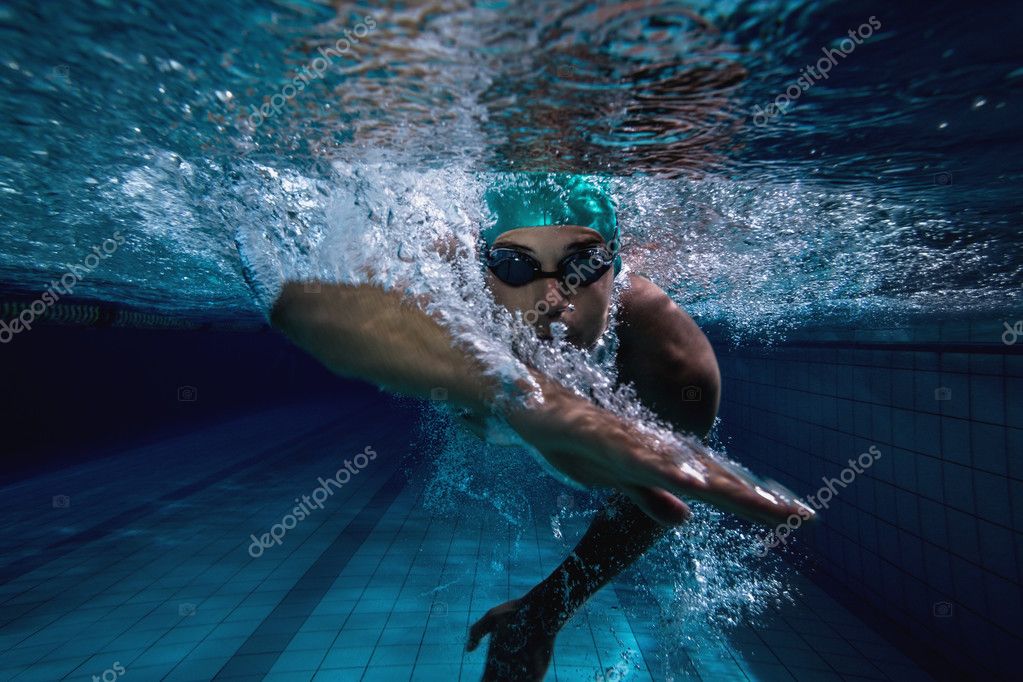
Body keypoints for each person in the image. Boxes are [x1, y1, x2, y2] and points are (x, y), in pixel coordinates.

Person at [268, 173, 811, 681]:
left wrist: (547, 609)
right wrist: (521, 393)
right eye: (515, 266)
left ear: (615, 267)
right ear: (485, 273)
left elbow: (646, 505)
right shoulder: (455, 283)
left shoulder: (674, 362)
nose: (553, 298)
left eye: (583, 262)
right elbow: (299, 307)